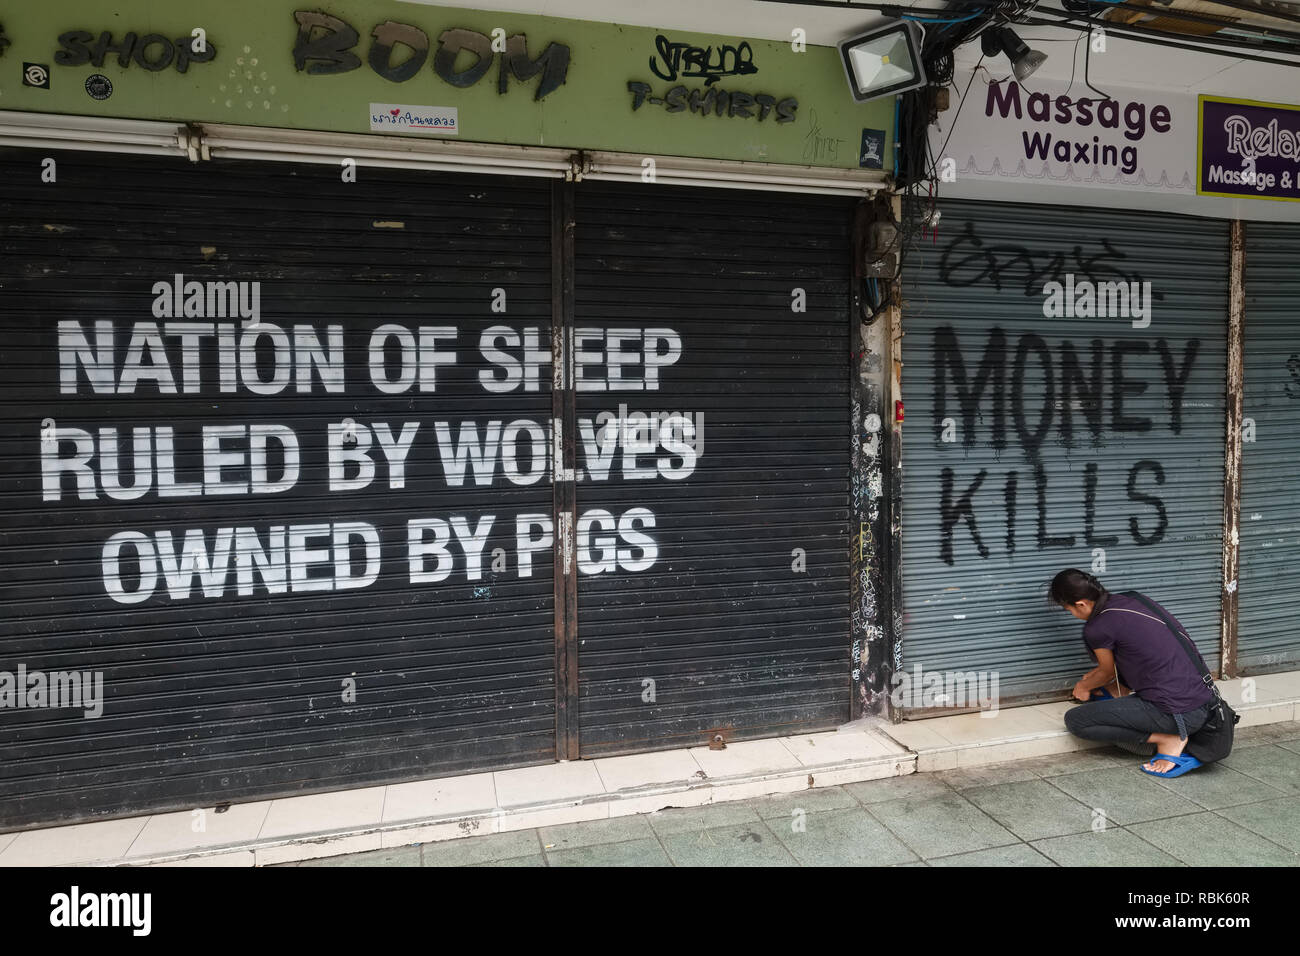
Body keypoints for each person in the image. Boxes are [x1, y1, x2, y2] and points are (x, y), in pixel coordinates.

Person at [1050, 569, 1216, 777]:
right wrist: (1104, 679)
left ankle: (1168, 739)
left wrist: (1084, 686)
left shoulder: (1097, 627)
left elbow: (1107, 671)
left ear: (1081, 604)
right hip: (1202, 701)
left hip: (1178, 713)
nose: (1073, 615)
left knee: (1077, 720)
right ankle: (1166, 729)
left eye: (1069, 610)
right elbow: (1139, 652)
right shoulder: (1132, 599)